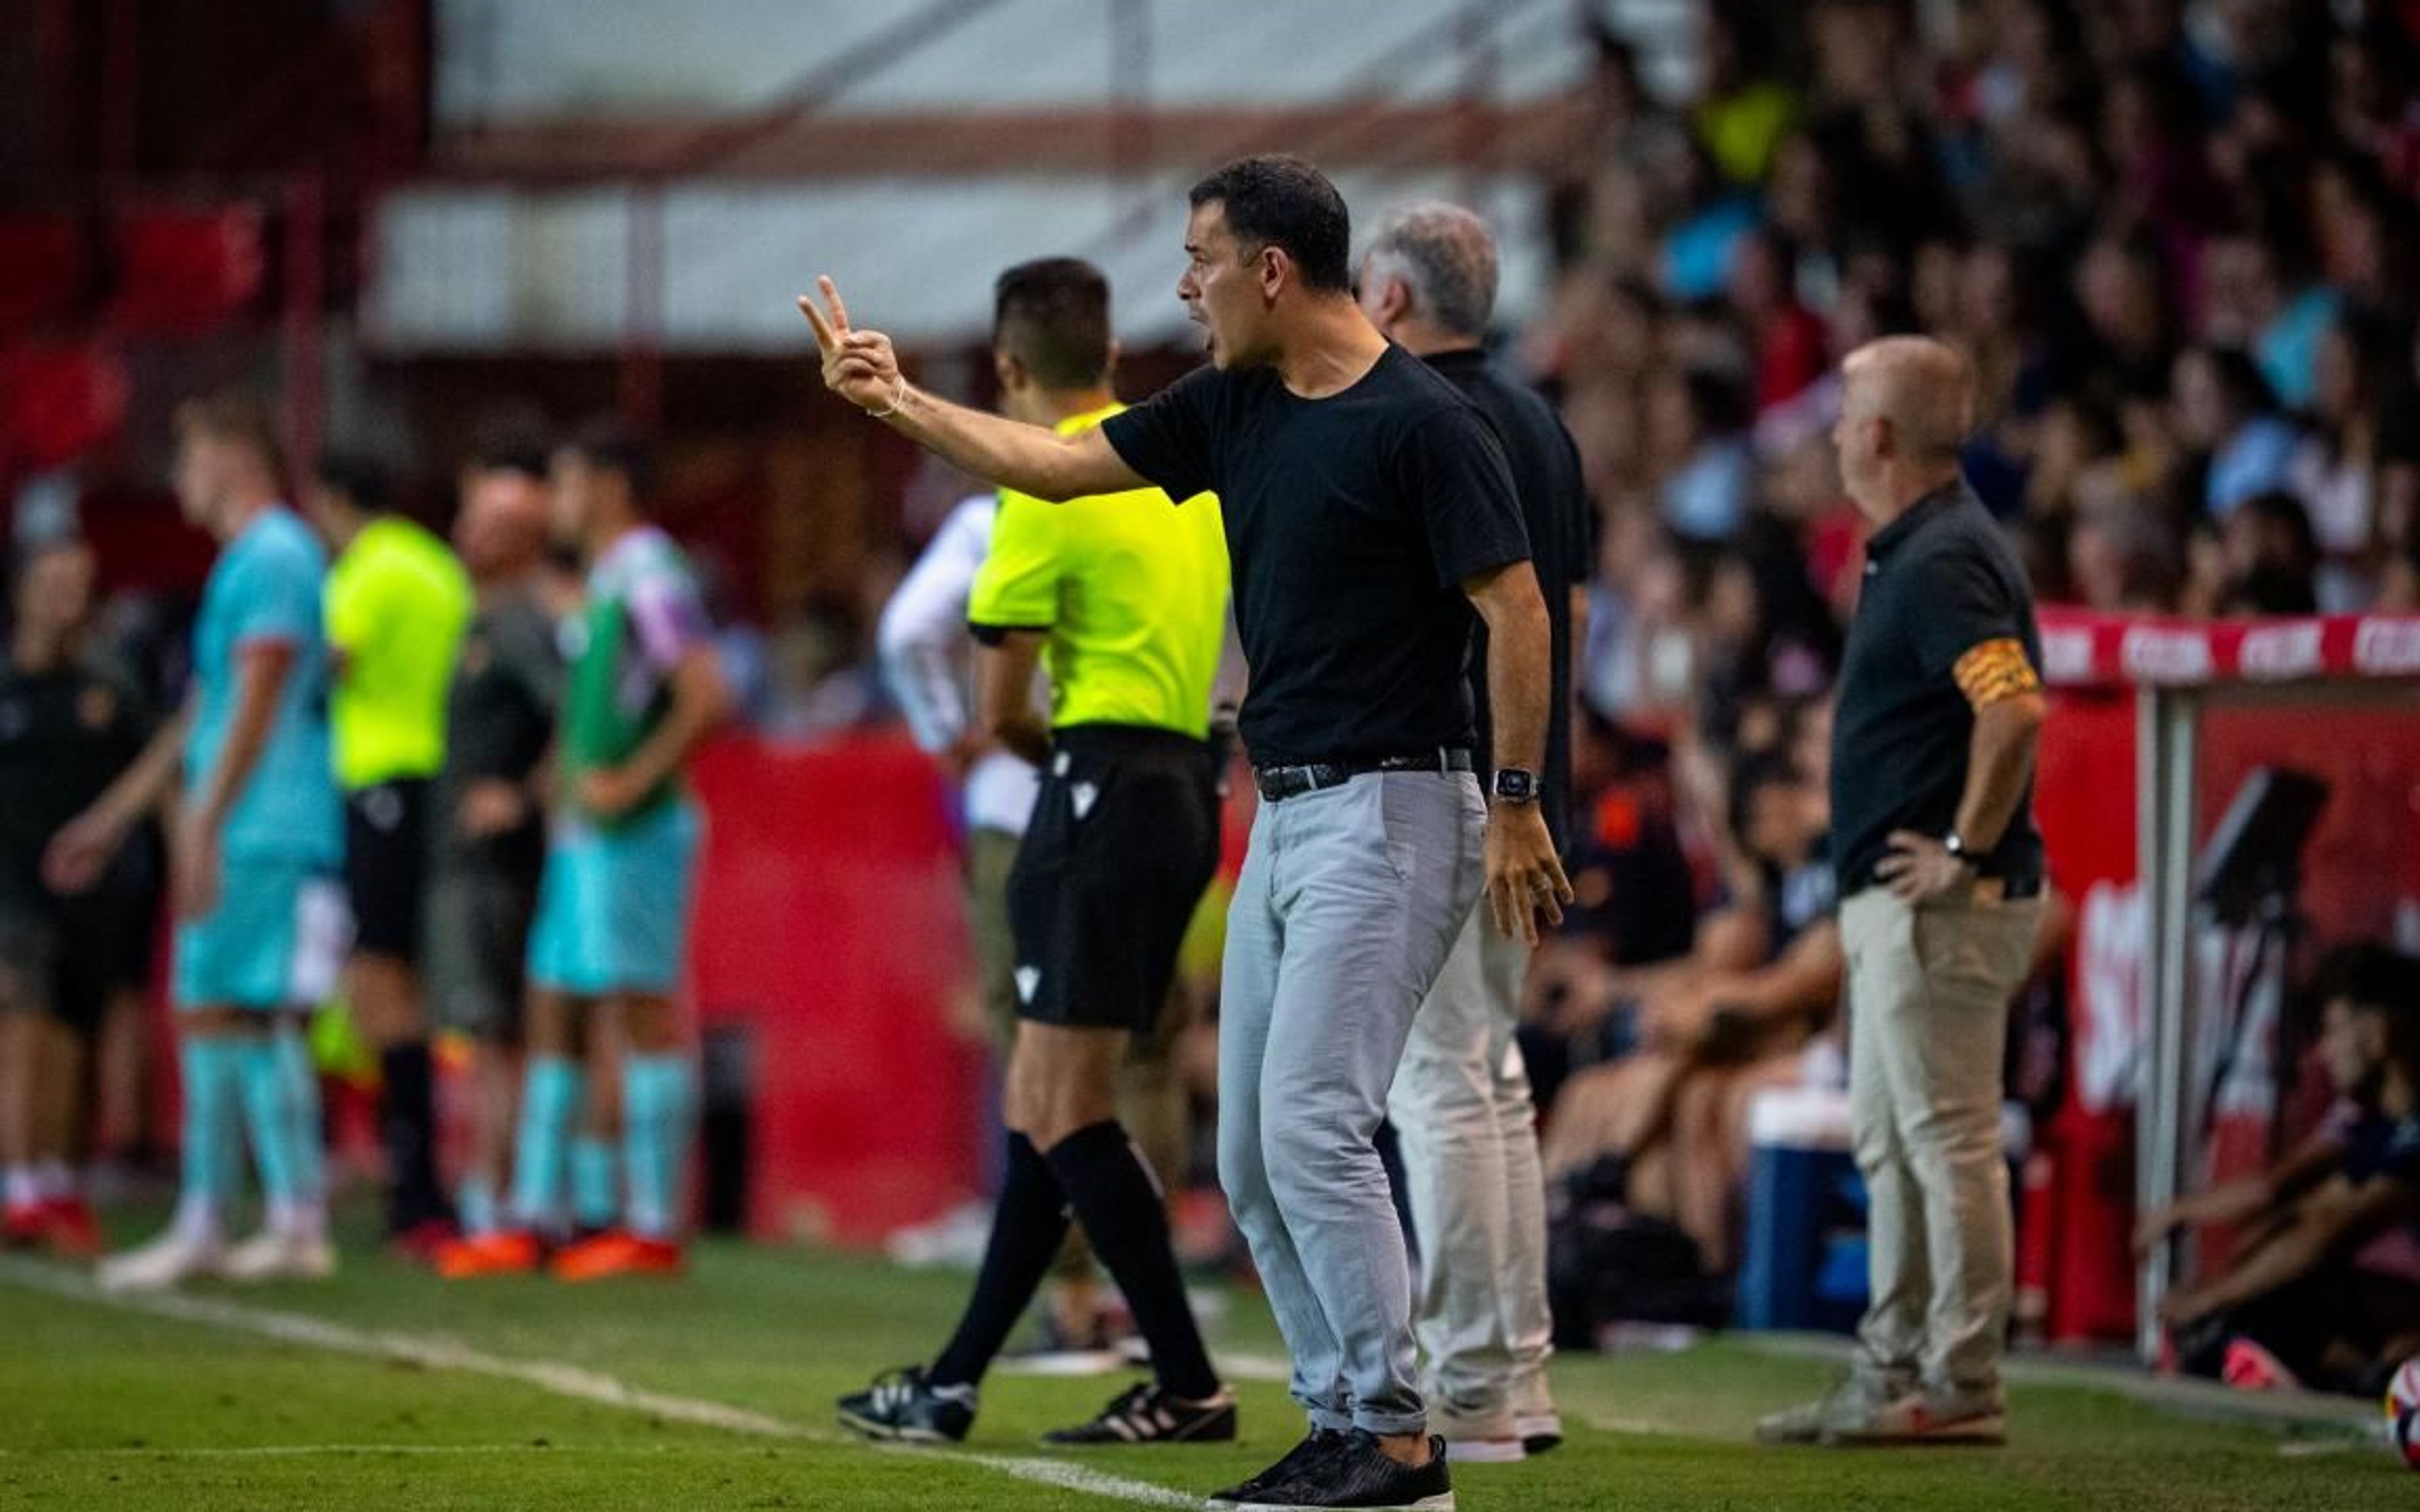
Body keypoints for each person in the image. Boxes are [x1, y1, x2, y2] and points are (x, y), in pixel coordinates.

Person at [800, 153, 1570, 1512]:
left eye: (1201, 255)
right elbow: (1050, 460)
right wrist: (898, 402)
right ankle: (1343, 1418)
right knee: (1251, 1153)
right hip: (1287, 809)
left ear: (1272, 270)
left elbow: (1517, 609)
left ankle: (1395, 1440)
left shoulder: (1424, 422)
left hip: (1397, 803)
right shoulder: (1235, 405)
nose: (1183, 282)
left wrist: (1513, 807)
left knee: (1319, 1127)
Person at [838, 257, 1236, 1446]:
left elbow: (999, 706)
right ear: (1110, 355)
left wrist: (1036, 742)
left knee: (1061, 1108)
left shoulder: (1038, 497)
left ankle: (1184, 1380)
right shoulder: (1188, 483)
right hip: (1188, 791)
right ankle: (957, 1377)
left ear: (1009, 370)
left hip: (1094, 789)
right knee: (1050, 1100)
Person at [1758, 336, 2047, 1447]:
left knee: (1943, 1140)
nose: (1832, 433)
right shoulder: (1920, 549)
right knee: (1896, 1138)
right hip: (1901, 905)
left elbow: (2013, 707)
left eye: (1843, 414)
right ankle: (1896, 1374)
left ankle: (1959, 1379)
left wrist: (1965, 851)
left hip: (1940, 905)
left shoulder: (1940, 561)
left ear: (1878, 437)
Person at [1354, 200, 1587, 1463]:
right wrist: (1548, 785)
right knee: (1490, 1079)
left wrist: (1501, 791)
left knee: (1442, 1080)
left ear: (1391, 301)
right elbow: (1574, 619)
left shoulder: (1422, 422)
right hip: (1524, 791)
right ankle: (1520, 1374)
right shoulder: (1543, 427)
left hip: (1451, 789)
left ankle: (1472, 1383)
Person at [53, 394, 346, 1289]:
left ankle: (258, 1217)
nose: (179, 481)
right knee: (228, 1010)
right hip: (247, 817)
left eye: (187, 459)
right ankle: (247, 1215)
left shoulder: (273, 554)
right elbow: (204, 712)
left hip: (259, 823)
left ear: (230, 454)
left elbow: (255, 701)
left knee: (237, 1010)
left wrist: (206, 823)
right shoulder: (253, 560)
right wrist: (113, 817)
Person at [436, 419, 730, 1281]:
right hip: (583, 835)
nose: (554, 501)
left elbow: (705, 693)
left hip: (630, 832)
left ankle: (648, 1223)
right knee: (554, 1003)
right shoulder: (607, 580)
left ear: (608, 484)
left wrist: (632, 779)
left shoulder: (648, 575)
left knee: (641, 1011)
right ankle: (540, 1213)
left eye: (564, 481)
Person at [304, 453, 474, 1255]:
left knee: (380, 978)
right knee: (403, 974)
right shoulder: (439, 564)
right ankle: (418, 1182)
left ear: (335, 500)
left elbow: (326, 661)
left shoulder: (366, 570)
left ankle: (415, 1186)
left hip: (379, 778)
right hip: (435, 777)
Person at [2145, 944, 2420, 1398]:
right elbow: (2306, 1212)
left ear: (2377, 1032)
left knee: (2302, 1288)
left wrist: (2208, 1300)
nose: (2323, 1052)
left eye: (2333, 1031)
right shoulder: (2374, 1123)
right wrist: (2228, 1290)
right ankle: (2334, 1368)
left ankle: (2360, 1368)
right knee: (2287, 1276)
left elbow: (2329, 1231)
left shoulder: (2411, 1131)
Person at [421, 442, 564, 1239]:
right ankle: (503, 1193)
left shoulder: (516, 620)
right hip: (468, 859)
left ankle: (495, 1198)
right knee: (487, 1032)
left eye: (487, 521)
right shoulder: (483, 616)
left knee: (491, 1032)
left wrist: (521, 795)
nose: (467, 532)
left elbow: (571, 713)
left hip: (494, 866)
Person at [0, 534, 150, 1259]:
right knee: (22, 1024)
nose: (68, 598)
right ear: (25, 589)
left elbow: (158, 772)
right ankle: (20, 1187)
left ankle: (55, 1180)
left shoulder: (107, 687)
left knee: (69, 1037)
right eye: (55, 581)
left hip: (88, 894)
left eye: (79, 584)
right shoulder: (6, 683)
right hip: (9, 887)